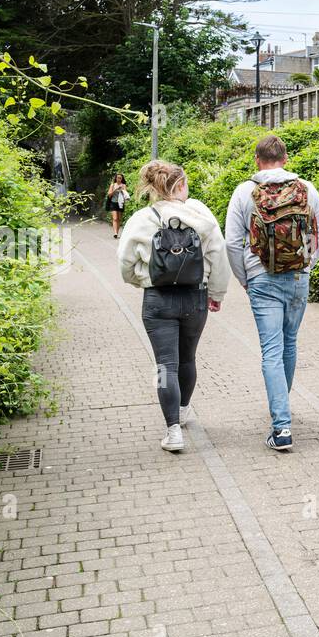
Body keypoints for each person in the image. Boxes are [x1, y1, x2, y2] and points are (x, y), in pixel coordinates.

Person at [224, 134, 319, 452]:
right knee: (289, 342)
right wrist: (305, 263)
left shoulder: (245, 191)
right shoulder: (306, 189)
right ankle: (283, 405)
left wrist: (244, 278)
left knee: (271, 349)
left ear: (257, 160)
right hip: (298, 276)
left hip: (261, 279)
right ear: (285, 158)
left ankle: (281, 427)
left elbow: (231, 242)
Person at [117, 160, 230, 453]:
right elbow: (219, 255)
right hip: (196, 297)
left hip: (158, 300)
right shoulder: (201, 214)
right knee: (188, 358)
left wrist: (144, 279)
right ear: (180, 185)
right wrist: (216, 293)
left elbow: (125, 265)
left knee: (166, 365)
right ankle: (182, 410)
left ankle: (173, 432)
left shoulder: (142, 219)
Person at [105, 173, 129, 238]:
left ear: (122, 179)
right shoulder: (112, 185)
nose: (119, 179)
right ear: (116, 178)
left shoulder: (123, 185)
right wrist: (115, 190)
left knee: (119, 219)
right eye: (118, 178)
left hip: (120, 203)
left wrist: (122, 191)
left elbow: (125, 195)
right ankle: (115, 233)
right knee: (115, 218)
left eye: (120, 178)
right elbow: (109, 195)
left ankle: (117, 233)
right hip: (113, 203)